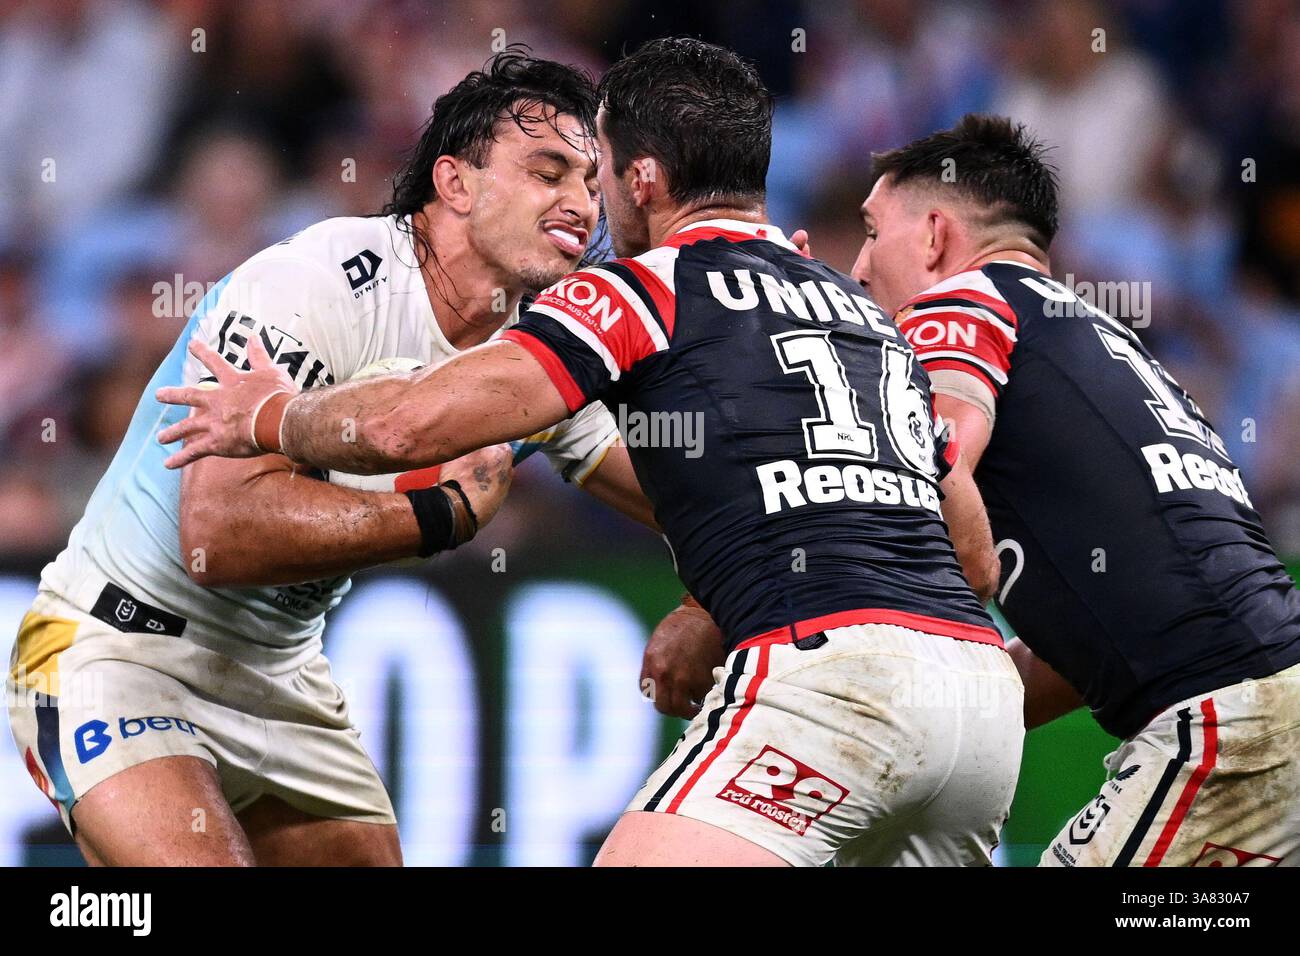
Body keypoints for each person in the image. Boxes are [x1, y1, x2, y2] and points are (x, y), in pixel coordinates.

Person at [156, 38, 1024, 868]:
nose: (590, 200)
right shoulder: (863, 314)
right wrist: (711, 603)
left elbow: (406, 427)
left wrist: (271, 417)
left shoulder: (640, 290)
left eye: (597, 168)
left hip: (830, 681)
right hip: (978, 700)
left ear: (642, 178)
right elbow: (973, 559)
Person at [6, 50, 654, 867]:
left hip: (281, 675)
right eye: (548, 173)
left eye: (591, 183)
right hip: (119, 648)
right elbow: (218, 534)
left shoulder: (542, 343)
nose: (580, 204)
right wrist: (438, 515)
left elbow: (676, 499)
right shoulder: (319, 281)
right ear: (454, 183)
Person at [851, 114, 1300, 867]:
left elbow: (936, 459)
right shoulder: (1107, 347)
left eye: (872, 232)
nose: (859, 268)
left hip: (1230, 727)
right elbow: (1092, 642)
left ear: (933, 237)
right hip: (1269, 705)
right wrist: (936, 718)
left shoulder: (960, 301)